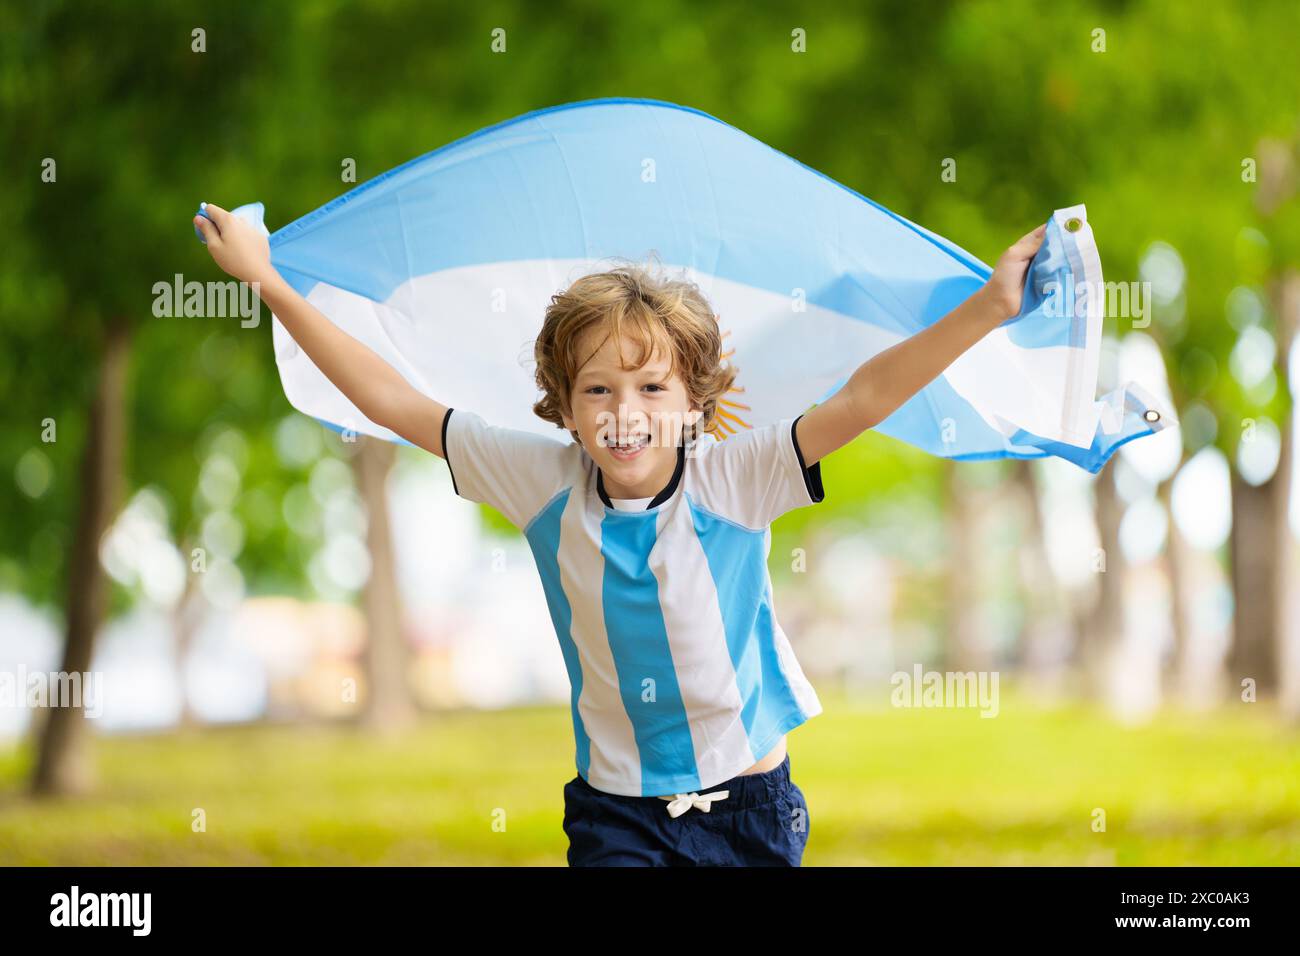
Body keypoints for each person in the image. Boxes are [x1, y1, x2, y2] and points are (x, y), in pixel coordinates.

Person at [195, 203, 1046, 865]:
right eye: (598, 391)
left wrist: (988, 308)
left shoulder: (733, 477)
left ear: (695, 406)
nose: (625, 414)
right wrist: (268, 282)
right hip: (617, 814)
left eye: (650, 389)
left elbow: (863, 399)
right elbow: (390, 400)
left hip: (747, 805)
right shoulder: (537, 481)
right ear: (563, 407)